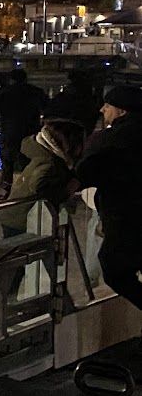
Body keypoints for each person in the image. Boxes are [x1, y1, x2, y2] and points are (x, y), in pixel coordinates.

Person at [0, 117, 86, 326]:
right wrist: (65, 191)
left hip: (18, 217)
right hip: (23, 220)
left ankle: (2, 306)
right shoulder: (49, 163)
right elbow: (39, 186)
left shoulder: (46, 156)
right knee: (23, 264)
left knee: (24, 264)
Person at [75, 85, 142, 312]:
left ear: (122, 111)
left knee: (114, 268)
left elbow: (84, 172)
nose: (103, 109)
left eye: (108, 105)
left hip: (126, 217)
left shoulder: (111, 140)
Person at [0, 69, 48, 199]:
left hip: (10, 130)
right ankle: (31, 187)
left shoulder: (4, 92)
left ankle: (5, 186)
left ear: (11, 79)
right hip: (31, 130)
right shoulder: (36, 92)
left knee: (7, 159)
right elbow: (48, 108)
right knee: (30, 159)